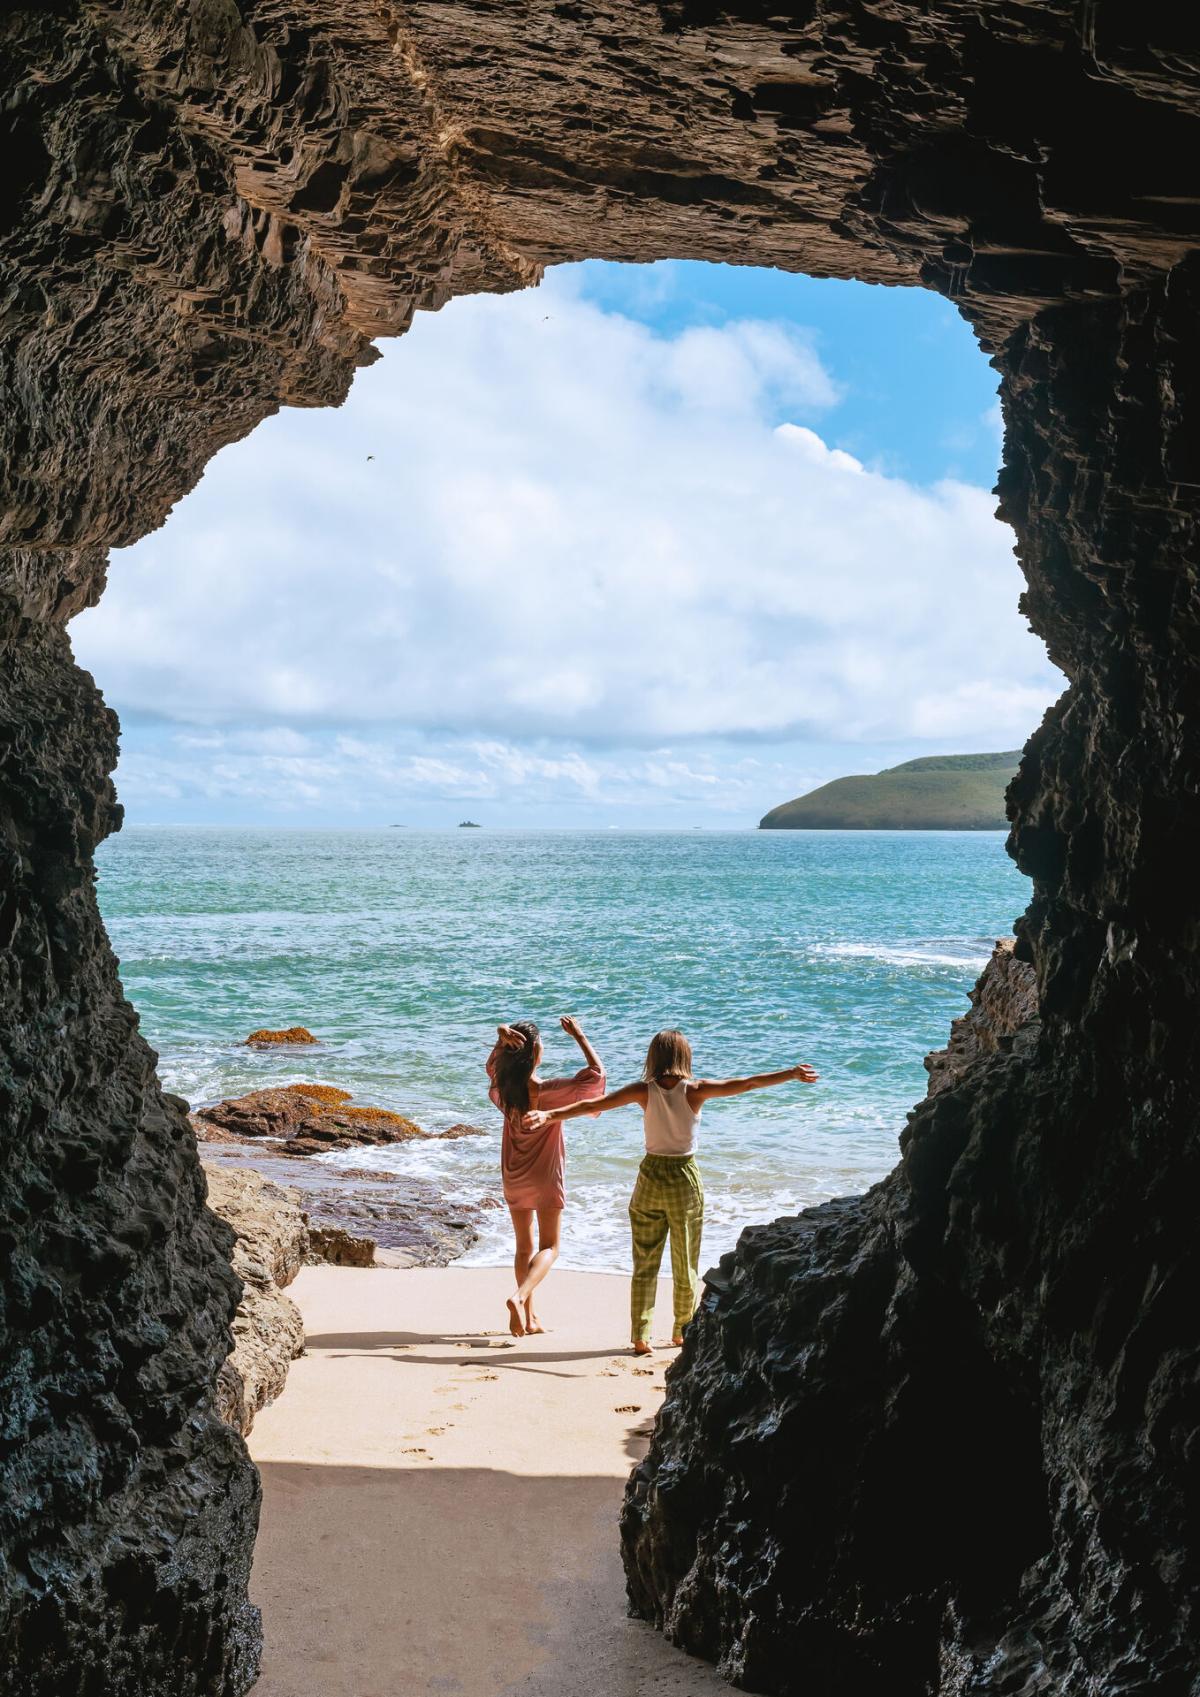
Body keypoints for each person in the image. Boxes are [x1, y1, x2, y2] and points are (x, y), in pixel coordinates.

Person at [523, 1029, 818, 1354]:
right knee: (685, 1261)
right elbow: (747, 1083)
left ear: (654, 1057)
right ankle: (681, 1331)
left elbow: (596, 1103)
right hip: (683, 1176)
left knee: (645, 1261)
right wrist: (789, 1074)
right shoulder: (695, 1090)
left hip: (649, 1176)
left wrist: (550, 1114)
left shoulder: (643, 1090)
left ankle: (640, 1336)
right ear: (684, 1056)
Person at [486, 1015, 605, 1337]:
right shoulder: (550, 1092)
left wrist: (500, 1036)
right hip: (545, 1175)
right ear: (536, 1053)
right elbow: (596, 1078)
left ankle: (530, 1317)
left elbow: (493, 1068)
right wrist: (579, 1036)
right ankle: (520, 1297)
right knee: (550, 1246)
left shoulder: (504, 1090)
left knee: (523, 1246)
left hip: (513, 1173)